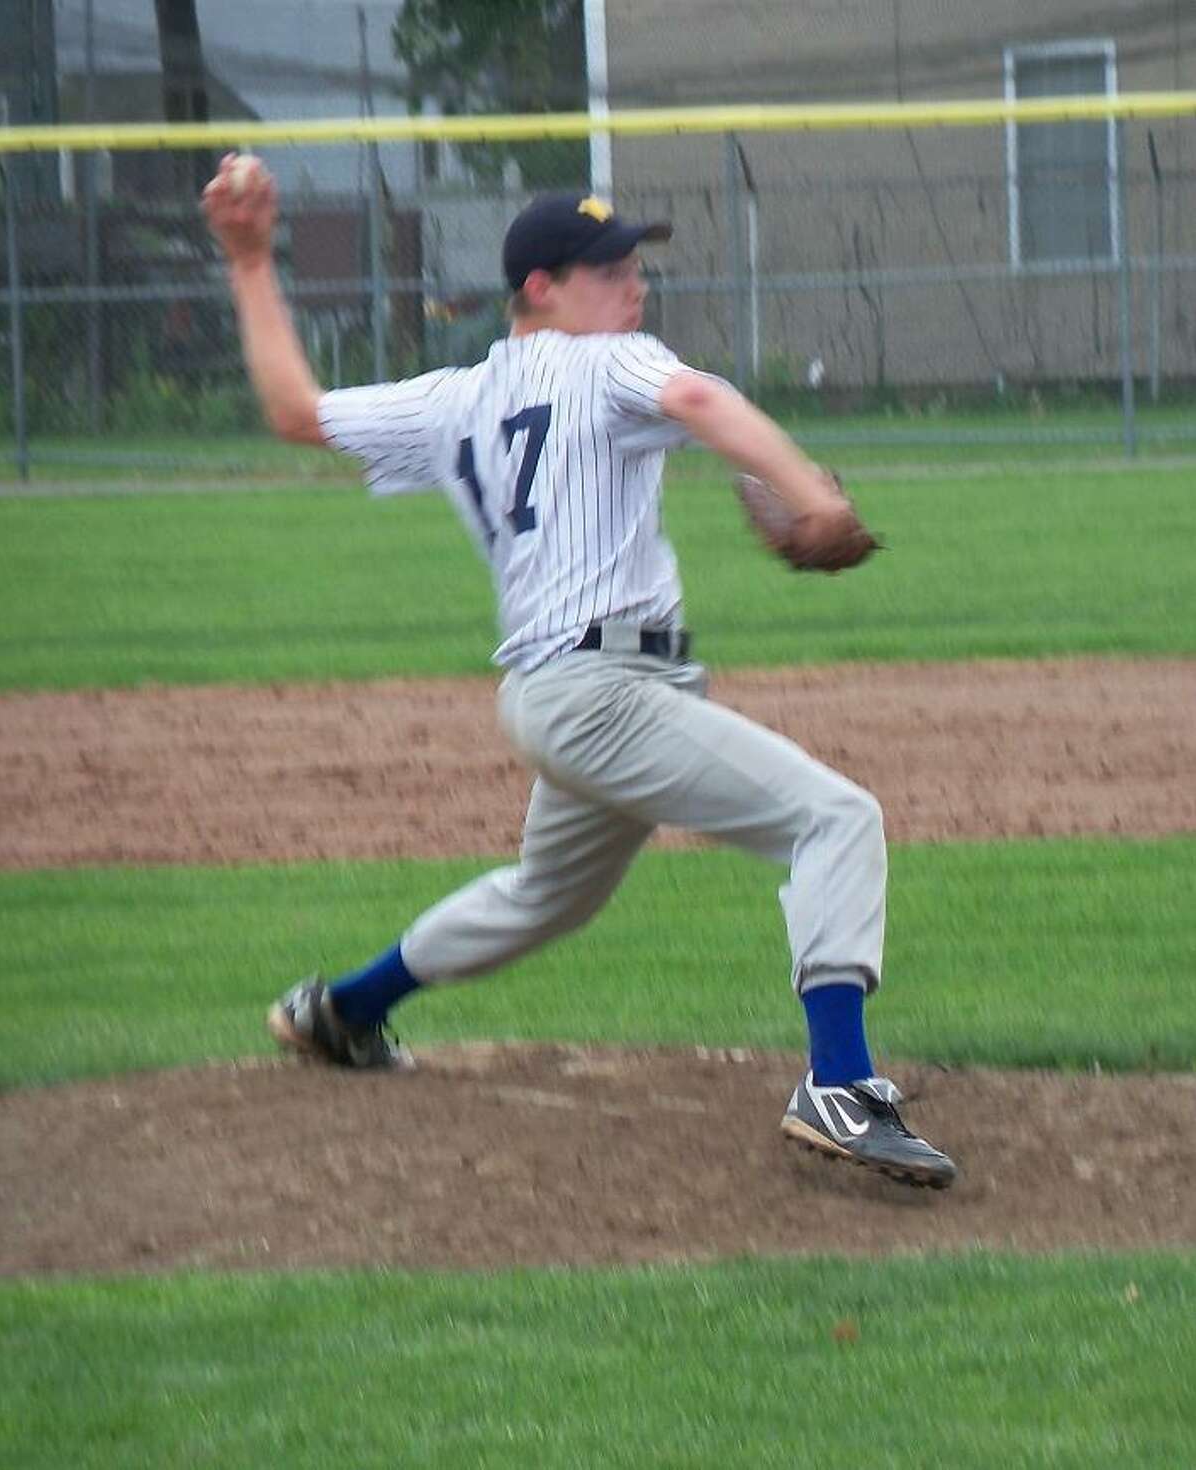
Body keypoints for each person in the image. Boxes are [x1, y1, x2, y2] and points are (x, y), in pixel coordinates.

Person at [203, 155, 956, 1190]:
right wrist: (810, 495)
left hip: (558, 697)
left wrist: (249, 260)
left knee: (543, 898)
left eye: (635, 261)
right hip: (605, 696)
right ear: (542, 290)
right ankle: (840, 1082)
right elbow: (692, 392)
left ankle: (341, 1012)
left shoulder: (453, 399)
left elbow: (295, 409)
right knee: (838, 819)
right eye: (608, 266)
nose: (633, 282)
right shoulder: (607, 362)